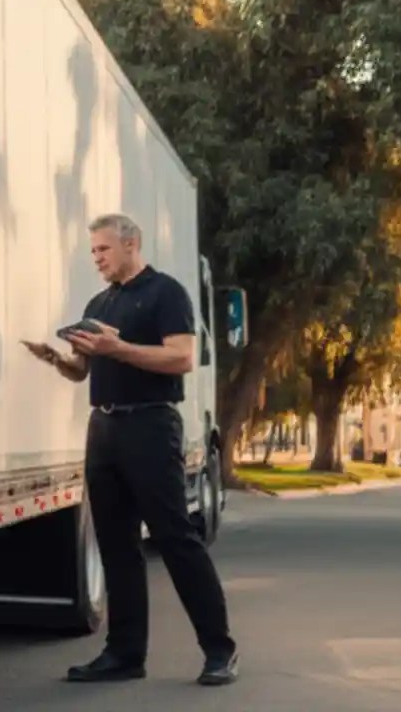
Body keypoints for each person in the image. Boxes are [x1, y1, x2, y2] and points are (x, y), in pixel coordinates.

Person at [22, 213, 239, 686]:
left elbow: (181, 357)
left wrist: (117, 348)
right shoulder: (99, 303)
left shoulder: (166, 293)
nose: (96, 258)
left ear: (130, 244)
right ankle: (124, 655)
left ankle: (219, 650)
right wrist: (56, 358)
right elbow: (82, 371)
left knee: (175, 539)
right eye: (93, 250)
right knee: (117, 545)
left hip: (151, 424)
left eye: (103, 248)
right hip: (104, 428)